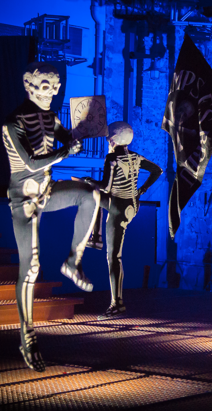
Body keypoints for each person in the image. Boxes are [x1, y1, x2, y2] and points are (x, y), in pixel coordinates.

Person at [2, 63, 101, 372]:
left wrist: (83, 131)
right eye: (45, 83)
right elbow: (30, 162)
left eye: (55, 84)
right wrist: (65, 151)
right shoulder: (12, 124)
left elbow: (68, 137)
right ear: (28, 85)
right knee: (30, 265)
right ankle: (27, 334)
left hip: (47, 188)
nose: (52, 90)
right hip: (25, 195)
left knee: (91, 195)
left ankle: (73, 260)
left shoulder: (51, 117)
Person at [81, 122, 162, 320]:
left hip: (118, 207)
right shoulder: (136, 156)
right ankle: (96, 237)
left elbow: (106, 187)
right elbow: (157, 170)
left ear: (113, 140)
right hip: (132, 205)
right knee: (96, 198)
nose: (107, 141)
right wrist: (142, 190)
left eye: (109, 138)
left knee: (114, 257)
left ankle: (117, 304)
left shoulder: (111, 158)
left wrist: (89, 181)